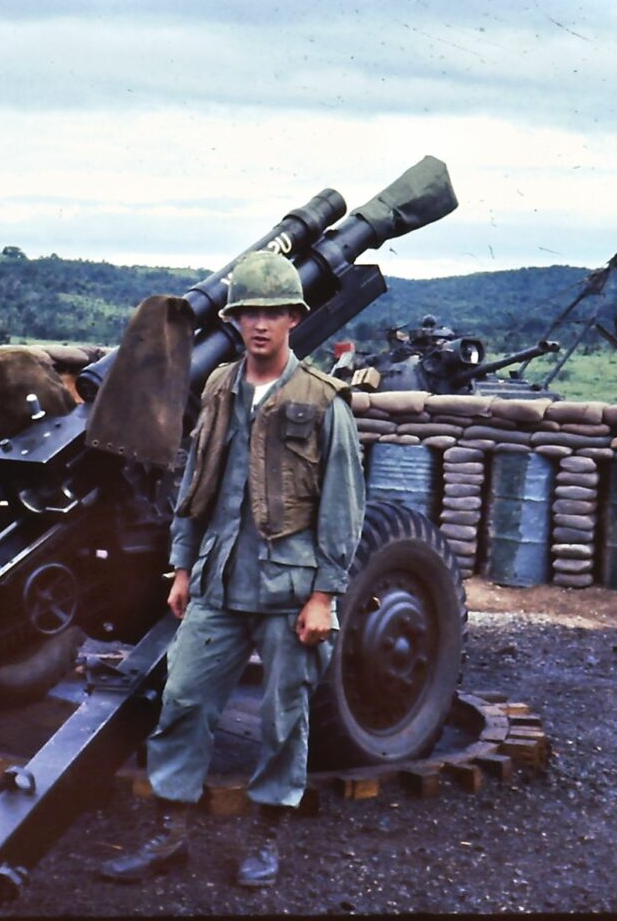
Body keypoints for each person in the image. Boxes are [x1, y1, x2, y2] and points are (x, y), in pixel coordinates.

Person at [98, 251, 365, 888]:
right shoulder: (219, 388)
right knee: (183, 701)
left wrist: (325, 595)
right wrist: (183, 566)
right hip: (217, 581)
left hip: (289, 588)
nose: (260, 325)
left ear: (295, 319)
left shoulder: (323, 403)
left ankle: (266, 835)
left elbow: (342, 509)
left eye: (273, 312)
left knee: (283, 717)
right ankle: (170, 835)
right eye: (248, 313)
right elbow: (196, 484)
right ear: (236, 320)